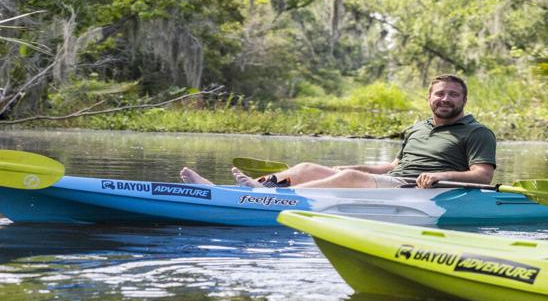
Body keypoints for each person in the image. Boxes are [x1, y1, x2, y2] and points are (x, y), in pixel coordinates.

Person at [179, 75, 497, 190]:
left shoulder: (477, 132)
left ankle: (270, 197)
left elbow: (482, 176)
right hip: (394, 178)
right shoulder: (417, 127)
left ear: (463, 100)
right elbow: (392, 165)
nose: (445, 99)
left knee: (349, 180)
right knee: (306, 168)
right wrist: (353, 167)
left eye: (452, 95)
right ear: (429, 98)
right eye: (439, 93)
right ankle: (226, 191)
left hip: (418, 188)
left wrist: (439, 176)